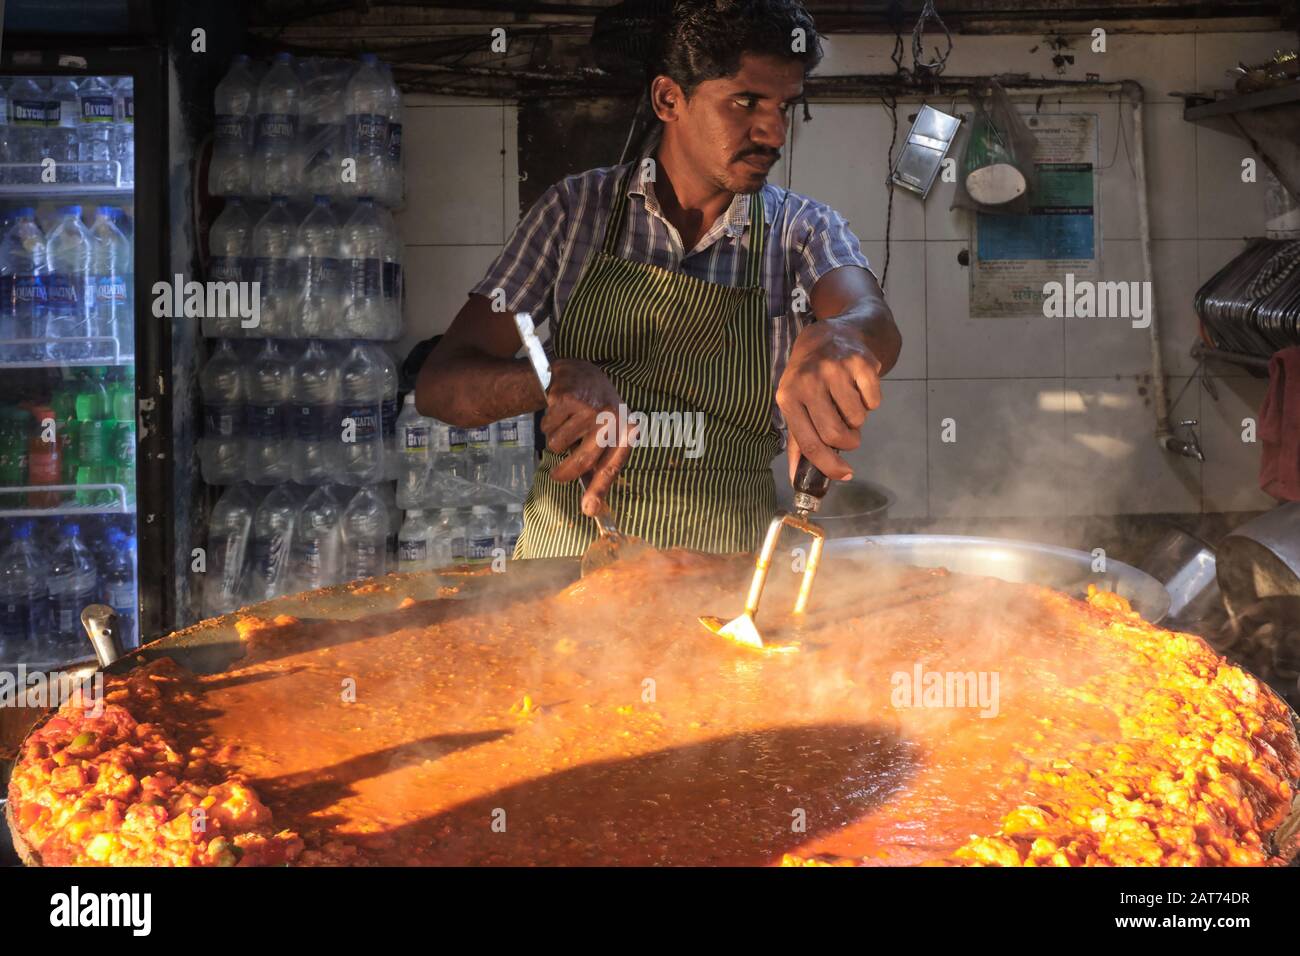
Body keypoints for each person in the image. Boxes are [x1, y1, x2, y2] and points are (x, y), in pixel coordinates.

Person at [417, 0, 901, 558]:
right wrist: (550, 380)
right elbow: (439, 386)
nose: (773, 134)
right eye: (746, 102)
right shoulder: (575, 211)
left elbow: (874, 321)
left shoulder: (803, 229)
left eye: (785, 107)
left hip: (728, 572)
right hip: (568, 571)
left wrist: (842, 334)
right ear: (670, 99)